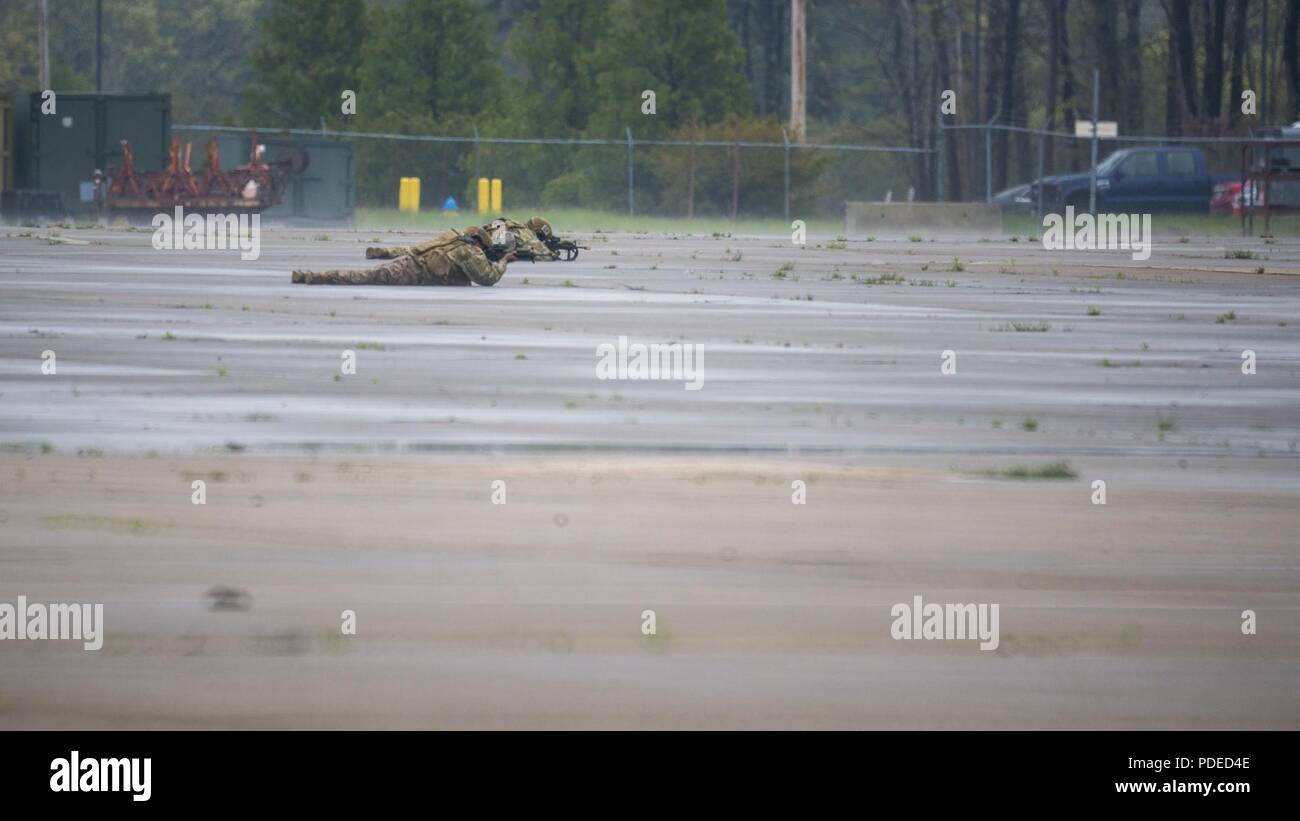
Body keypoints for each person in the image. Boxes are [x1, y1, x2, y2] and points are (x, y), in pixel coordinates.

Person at [291, 225, 515, 286]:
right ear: (479, 242)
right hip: (408, 271)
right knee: (362, 277)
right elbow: (487, 279)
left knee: (366, 276)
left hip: (410, 265)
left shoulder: (454, 240)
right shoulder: (470, 250)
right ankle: (311, 277)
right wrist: (503, 262)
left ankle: (310, 276)